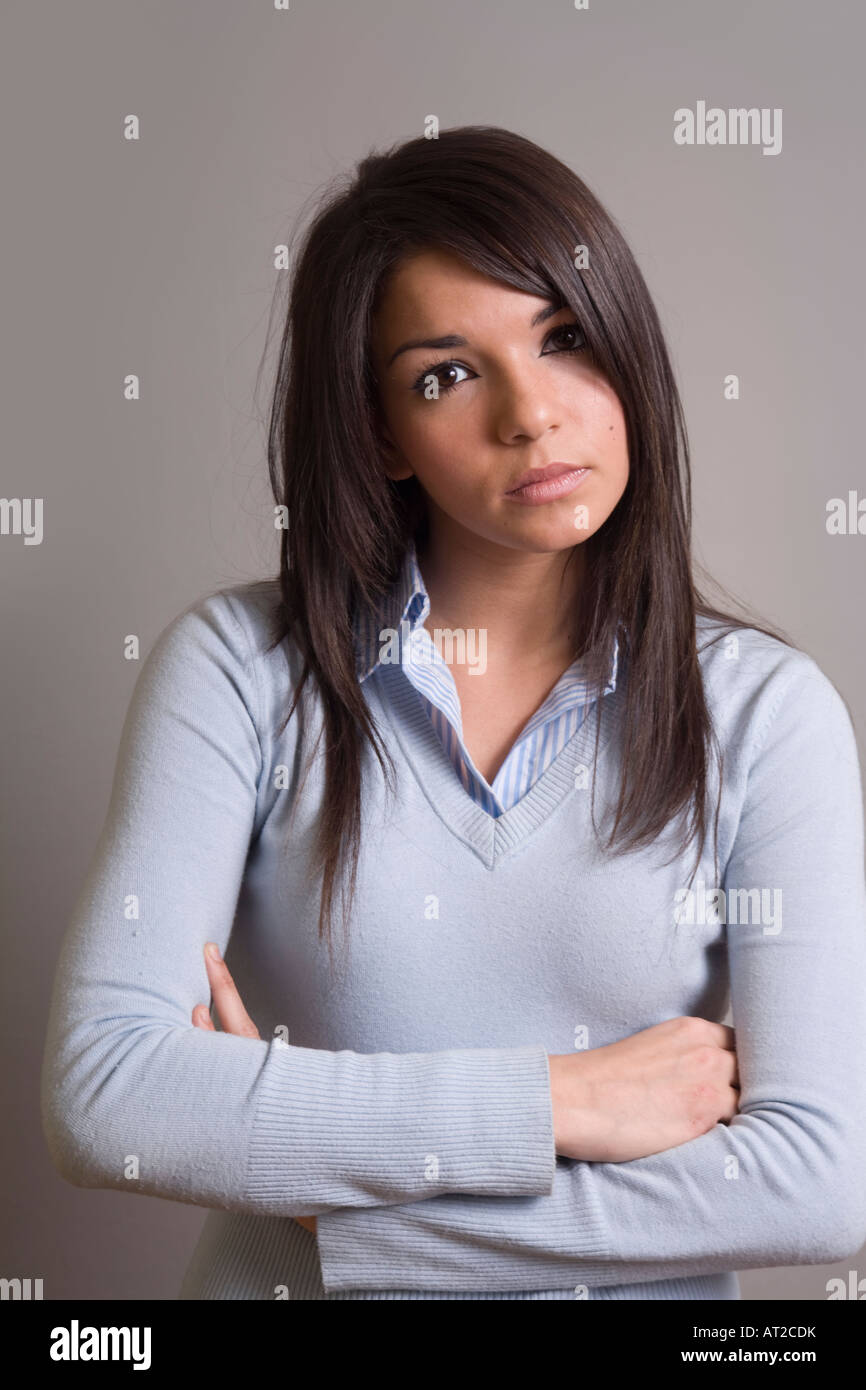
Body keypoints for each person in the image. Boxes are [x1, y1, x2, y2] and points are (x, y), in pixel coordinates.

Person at [41, 125, 866, 1300]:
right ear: (379, 431)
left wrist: (335, 1214)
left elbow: (812, 1183)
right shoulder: (236, 670)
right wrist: (558, 1098)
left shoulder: (766, 717)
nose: (529, 415)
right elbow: (108, 1093)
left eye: (564, 339)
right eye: (446, 373)